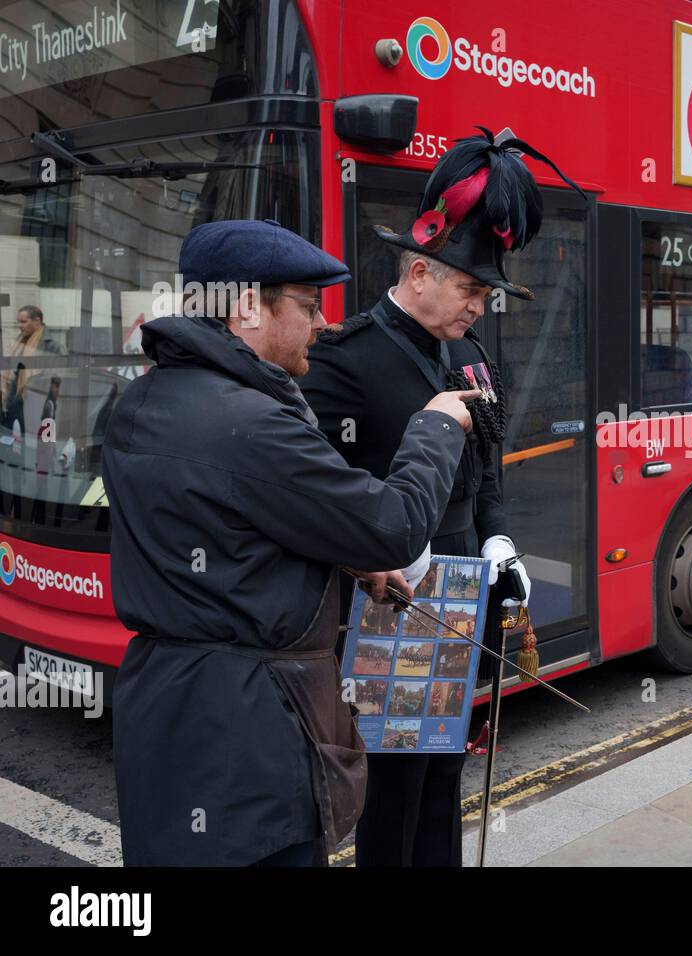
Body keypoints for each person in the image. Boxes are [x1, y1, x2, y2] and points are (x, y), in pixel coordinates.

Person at [102, 219, 480, 866]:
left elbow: (229, 528)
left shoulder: (139, 402)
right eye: (306, 305)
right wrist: (437, 426)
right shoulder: (252, 423)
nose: (321, 323)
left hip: (162, 716)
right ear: (250, 306)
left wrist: (345, 562)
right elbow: (393, 524)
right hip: (250, 739)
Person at [301, 127, 583, 867]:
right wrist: (367, 558)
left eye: (486, 294)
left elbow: (487, 463)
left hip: (465, 580)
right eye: (469, 290)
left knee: (448, 768)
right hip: (389, 594)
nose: (479, 308)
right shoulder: (343, 359)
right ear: (420, 271)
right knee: (395, 784)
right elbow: (313, 491)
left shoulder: (471, 355)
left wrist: (499, 540)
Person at [1, 304, 63, 434]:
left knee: (39, 446)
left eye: (24, 321)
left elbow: (57, 379)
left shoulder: (53, 346)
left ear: (37, 321)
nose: (20, 325)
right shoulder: (20, 343)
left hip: (39, 405)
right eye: (19, 322)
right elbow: (14, 375)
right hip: (17, 405)